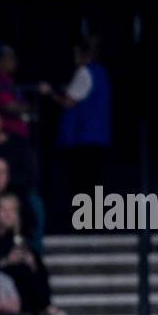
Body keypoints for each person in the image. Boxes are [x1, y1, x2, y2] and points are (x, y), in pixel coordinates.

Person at [38, 37, 111, 202]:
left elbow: (69, 101)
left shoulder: (85, 72)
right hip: (97, 138)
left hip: (82, 139)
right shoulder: (101, 73)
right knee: (92, 186)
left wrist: (49, 92)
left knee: (82, 186)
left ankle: (85, 225)